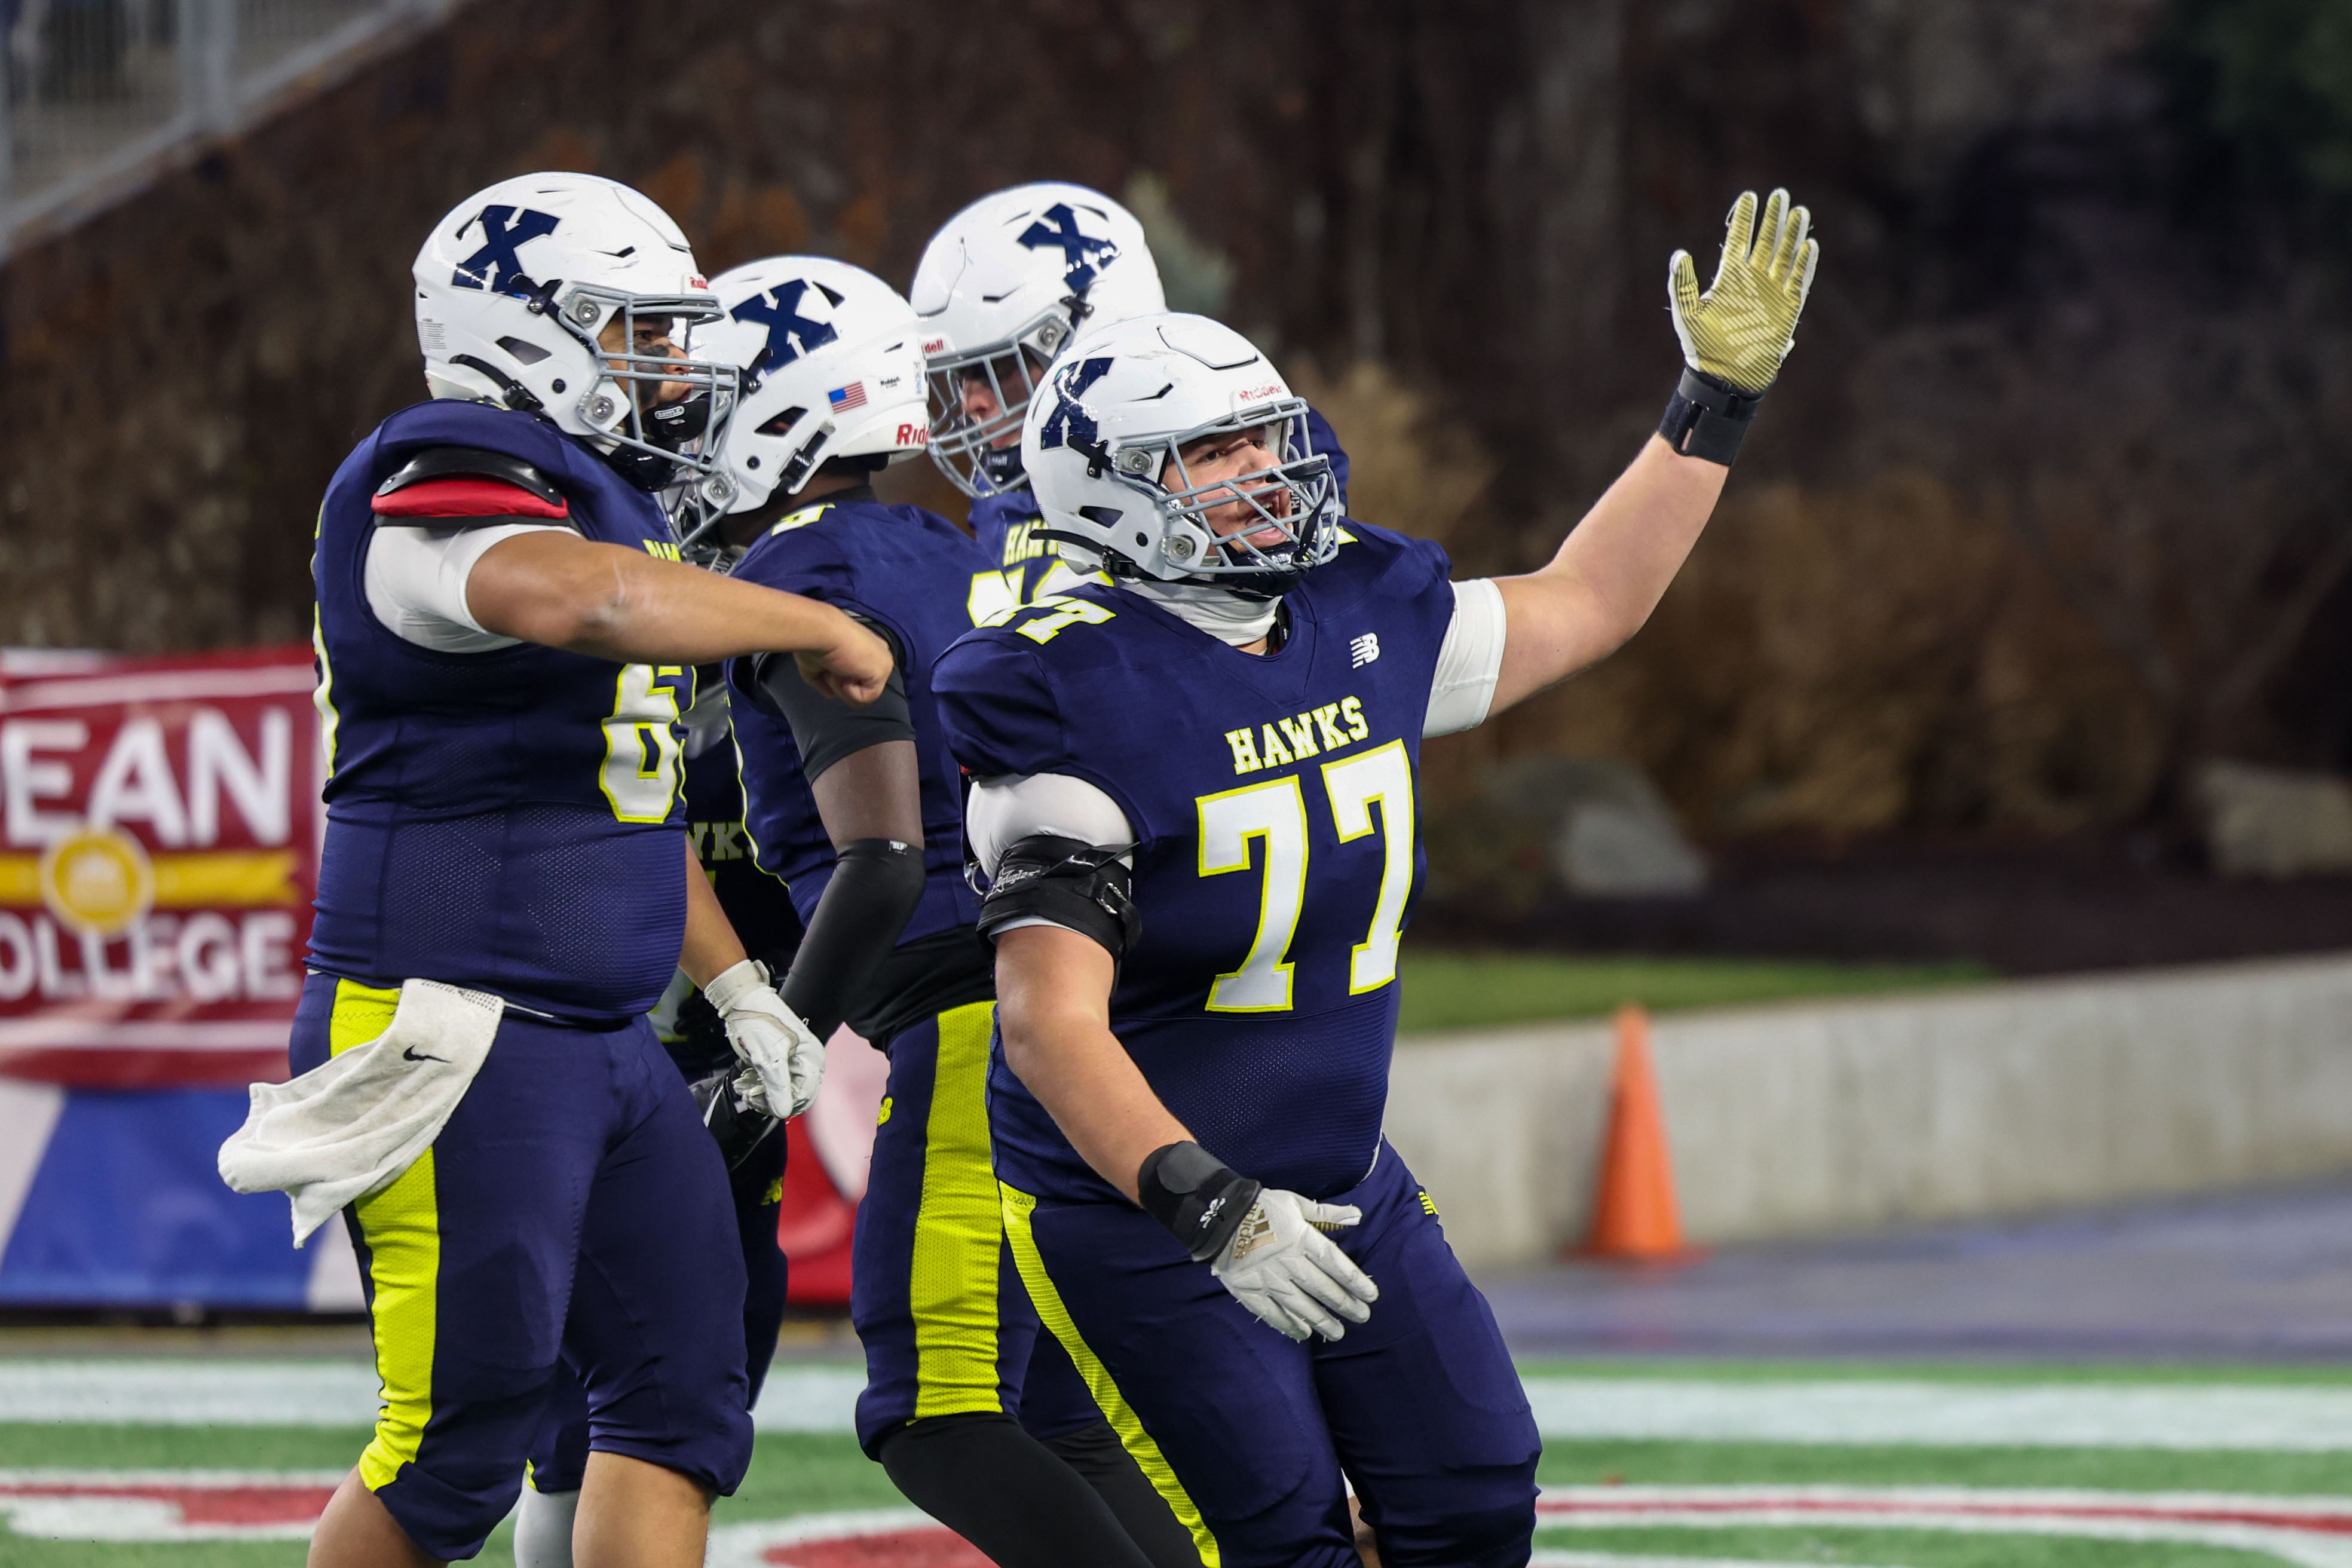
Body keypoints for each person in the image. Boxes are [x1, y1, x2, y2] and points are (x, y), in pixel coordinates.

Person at [933, 190, 1819, 1566]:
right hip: (1141, 1214)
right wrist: (1208, 1203)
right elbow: (1051, 1022)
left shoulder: (1355, 613)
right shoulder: (1068, 698)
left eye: (1265, 435)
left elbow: (1590, 598)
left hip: (1343, 1172)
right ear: (1113, 492)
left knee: (1474, 1495)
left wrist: (1712, 405)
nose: (1267, 469)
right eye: (1216, 452)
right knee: (1274, 1540)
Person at [295, 173, 887, 1568]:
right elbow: (574, 597)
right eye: (642, 329)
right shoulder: (442, 462)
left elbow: (623, 807)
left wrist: (736, 987)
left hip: (606, 1035)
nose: (673, 364)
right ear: (525, 328)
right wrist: (808, 619)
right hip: (458, 1020)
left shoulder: (607, 499)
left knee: (682, 1397)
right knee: (457, 1442)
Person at [685, 254, 1199, 1568]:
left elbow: (880, 859)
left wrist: (772, 1060)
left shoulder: (803, 576)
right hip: (1081, 993)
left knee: (934, 1409)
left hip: (979, 1019)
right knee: (1062, 1408)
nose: (685, 428)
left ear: (779, 413)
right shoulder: (948, 544)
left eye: (708, 400)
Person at [914, 180, 1349, 611]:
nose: (971, 403)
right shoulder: (1002, 481)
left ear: (1082, 342)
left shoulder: (1259, 435)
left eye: (998, 369)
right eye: (961, 376)